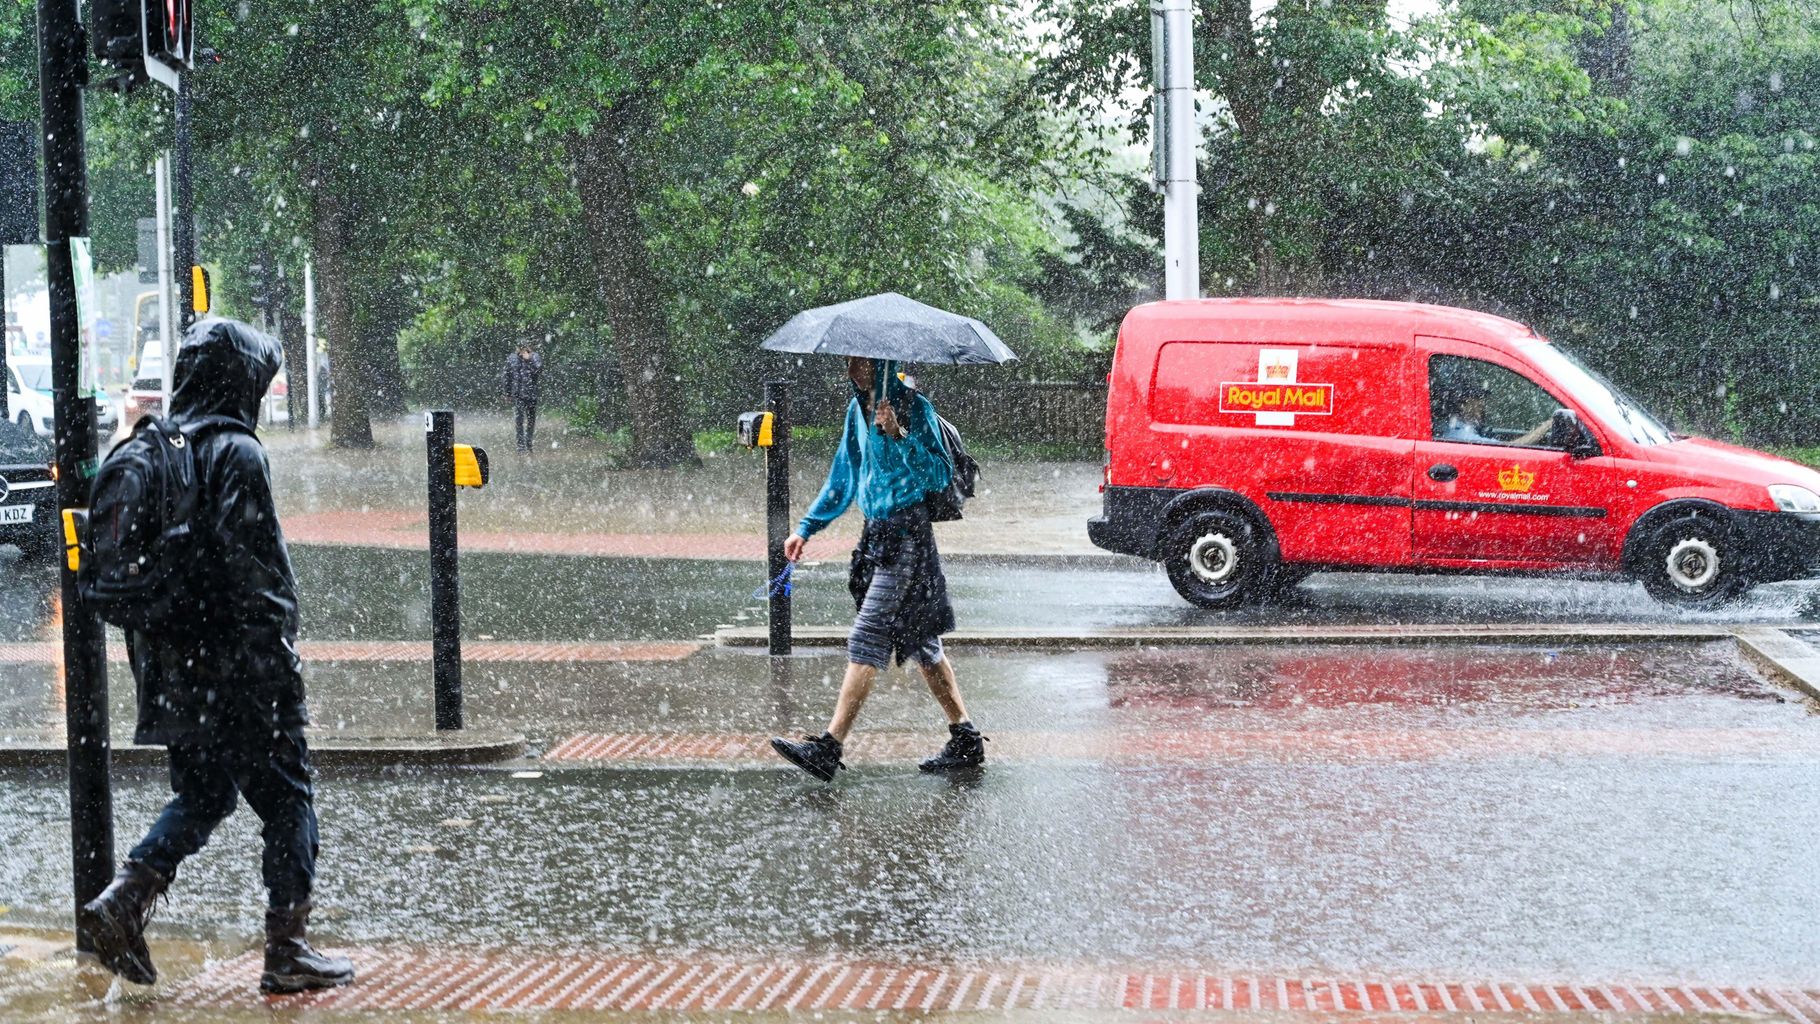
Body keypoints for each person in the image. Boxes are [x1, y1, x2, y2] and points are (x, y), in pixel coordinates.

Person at [80, 318, 354, 995]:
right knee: (290, 801)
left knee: (203, 793)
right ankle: (286, 951)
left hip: (172, 668)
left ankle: (123, 898)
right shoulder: (237, 452)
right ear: (241, 383)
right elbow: (255, 570)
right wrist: (278, 658)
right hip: (239, 668)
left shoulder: (161, 447)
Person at [770, 356, 985, 781]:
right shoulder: (857, 411)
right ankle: (965, 738)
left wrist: (899, 433)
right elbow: (843, 475)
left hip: (907, 536)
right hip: (876, 536)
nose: (852, 367)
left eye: (862, 361)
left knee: (867, 635)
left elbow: (939, 474)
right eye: (849, 359)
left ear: (883, 363)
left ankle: (829, 747)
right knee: (923, 643)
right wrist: (807, 527)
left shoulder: (914, 408)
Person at [1436, 383, 1551, 446]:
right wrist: (1547, 425)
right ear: (1463, 404)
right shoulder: (1460, 435)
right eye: (1477, 400)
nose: (1482, 405)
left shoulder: (1460, 427)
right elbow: (1511, 448)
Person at [502, 340, 543, 452]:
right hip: (518, 395)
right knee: (519, 420)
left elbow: (539, 370)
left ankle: (528, 442)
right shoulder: (512, 358)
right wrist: (507, 393)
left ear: (528, 347)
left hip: (531, 395)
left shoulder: (535, 357)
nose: (521, 350)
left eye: (524, 348)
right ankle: (520, 446)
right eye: (519, 348)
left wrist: (529, 360)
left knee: (531, 420)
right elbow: (507, 376)